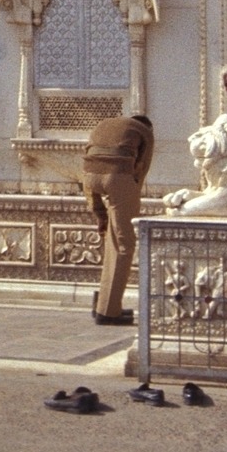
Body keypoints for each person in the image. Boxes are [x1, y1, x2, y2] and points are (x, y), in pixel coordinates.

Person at [82, 113, 153, 326]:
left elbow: (90, 164)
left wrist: (100, 215)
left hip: (89, 174)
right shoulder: (145, 132)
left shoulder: (106, 124)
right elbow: (141, 167)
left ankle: (103, 303)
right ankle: (109, 311)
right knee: (124, 245)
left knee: (112, 241)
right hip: (118, 177)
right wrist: (132, 195)